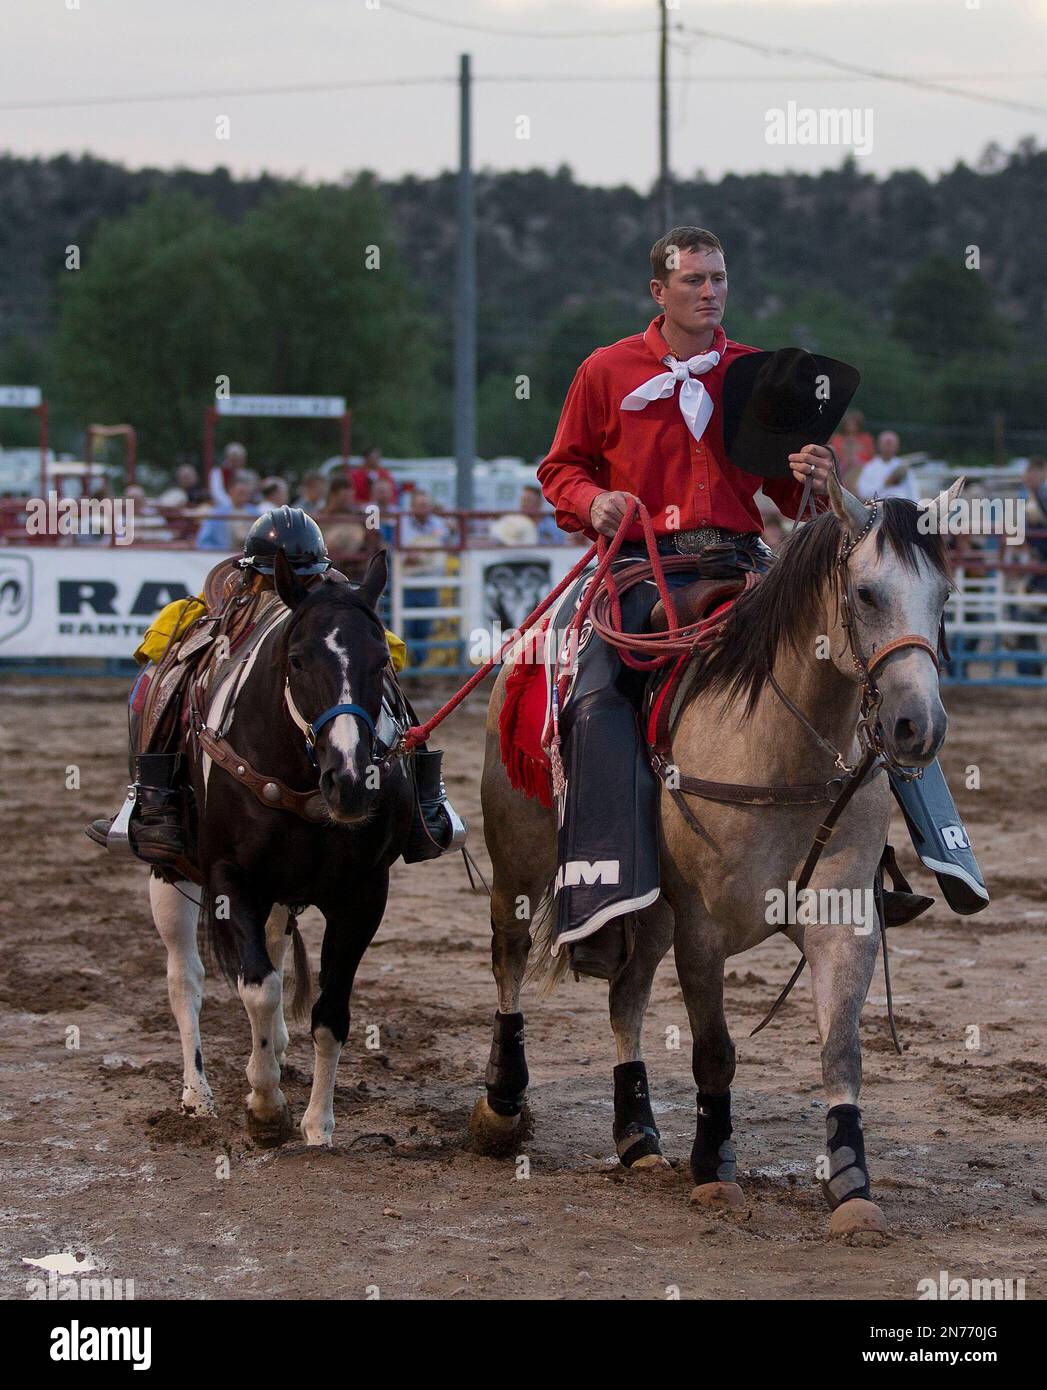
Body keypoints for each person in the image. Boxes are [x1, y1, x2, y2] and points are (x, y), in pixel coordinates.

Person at [536, 225, 985, 979]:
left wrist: (813, 472)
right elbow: (559, 470)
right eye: (693, 281)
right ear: (659, 291)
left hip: (746, 562)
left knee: (866, 655)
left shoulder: (757, 374)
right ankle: (603, 886)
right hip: (643, 568)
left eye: (717, 279)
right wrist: (595, 500)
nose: (709, 291)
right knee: (596, 689)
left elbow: (790, 497)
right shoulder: (603, 371)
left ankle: (914, 854)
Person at [84, 507, 464, 865]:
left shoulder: (339, 613)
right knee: (161, 680)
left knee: (377, 672)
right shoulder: (215, 611)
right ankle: (153, 798)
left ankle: (422, 800)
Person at [400, 489, 451, 667]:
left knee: (424, 628)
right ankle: (409, 666)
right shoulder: (403, 524)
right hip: (408, 582)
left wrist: (419, 555)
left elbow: (444, 544)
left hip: (430, 581)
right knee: (407, 627)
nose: (423, 509)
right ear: (412, 507)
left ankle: (418, 665)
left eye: (425, 505)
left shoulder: (437, 523)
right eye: (420, 505)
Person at [196, 472, 263, 551]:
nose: (244, 496)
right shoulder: (217, 514)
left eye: (247, 493)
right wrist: (223, 550)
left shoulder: (255, 513)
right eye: (241, 493)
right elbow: (202, 542)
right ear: (230, 491)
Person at [856, 431, 921, 502]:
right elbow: (863, 494)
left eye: (891, 445)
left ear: (897, 446)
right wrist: (886, 483)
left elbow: (914, 493)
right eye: (886, 444)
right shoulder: (869, 467)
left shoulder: (902, 467)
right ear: (879, 445)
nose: (888, 448)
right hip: (879, 507)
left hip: (901, 507)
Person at [830, 409, 876, 493]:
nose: (851, 426)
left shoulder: (866, 438)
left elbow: (870, 457)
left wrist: (856, 461)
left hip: (861, 470)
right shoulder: (837, 438)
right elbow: (834, 456)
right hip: (842, 469)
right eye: (849, 424)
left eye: (854, 424)